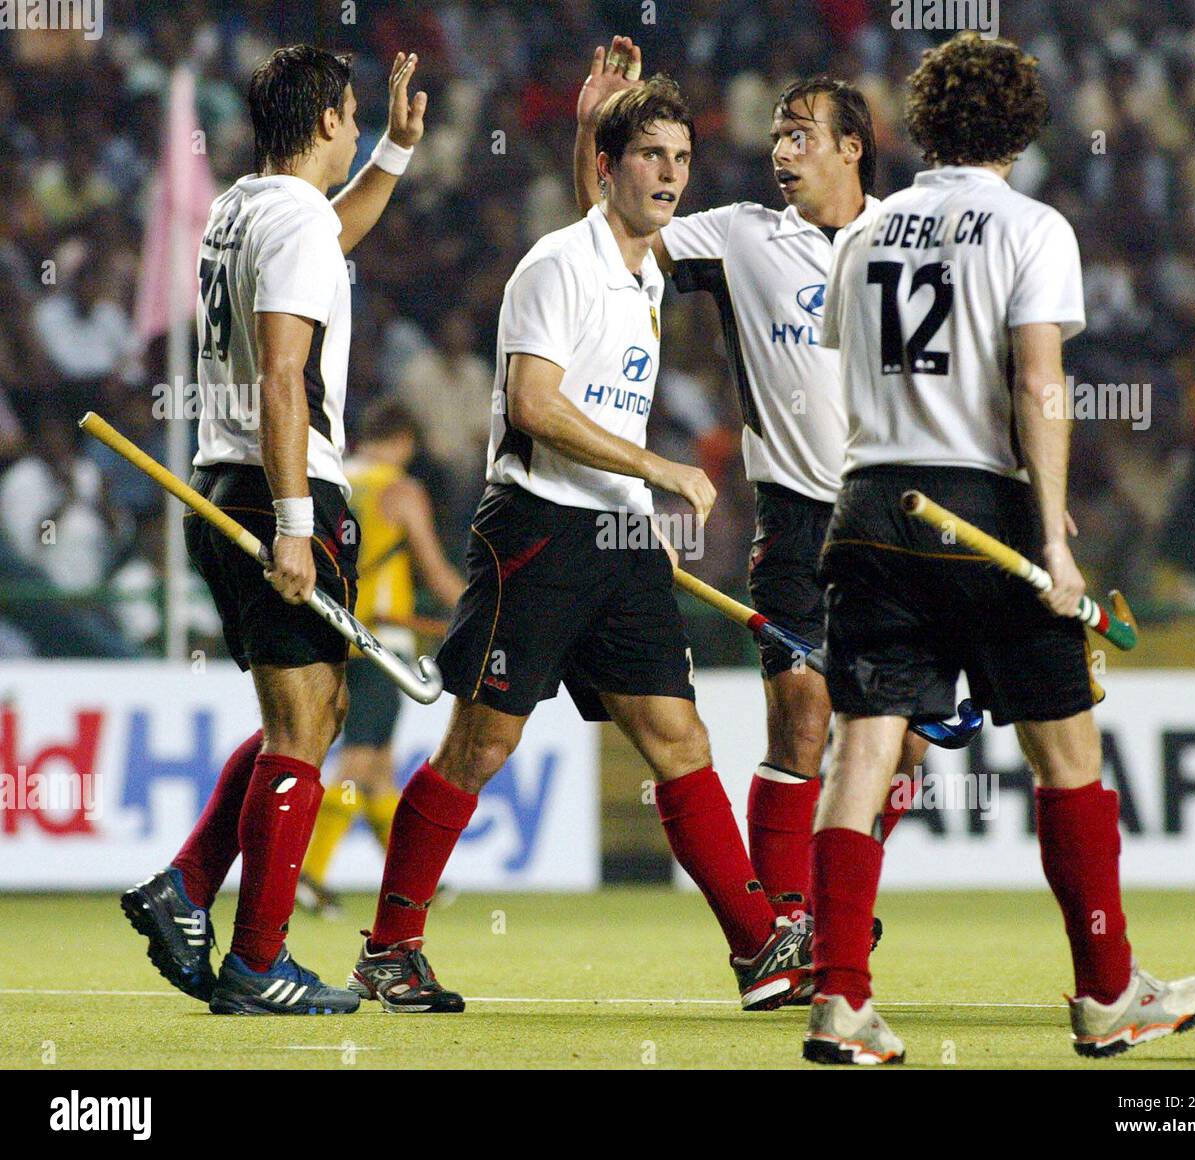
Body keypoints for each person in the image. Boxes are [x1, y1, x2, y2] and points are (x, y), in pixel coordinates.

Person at [348, 78, 813, 1015]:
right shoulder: (557, 265)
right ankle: (391, 948)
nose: (671, 175)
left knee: (679, 737)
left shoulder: (643, 274)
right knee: (482, 743)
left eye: (682, 158)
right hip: (537, 532)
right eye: (650, 155)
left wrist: (638, 500)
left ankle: (760, 948)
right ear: (607, 166)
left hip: (618, 535)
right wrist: (660, 467)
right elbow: (533, 405)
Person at [804, 32, 1195, 1064]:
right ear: (1024, 128)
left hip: (866, 505)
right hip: (981, 513)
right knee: (1066, 756)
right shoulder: (1032, 227)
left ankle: (841, 1001)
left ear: (921, 123)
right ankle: (1106, 989)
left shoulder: (863, 233)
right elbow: (1036, 385)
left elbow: (855, 384)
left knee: (859, 754)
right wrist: (1054, 531)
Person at [574, 39, 928, 933]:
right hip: (800, 522)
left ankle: (834, 890)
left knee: (907, 743)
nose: (780, 150)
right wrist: (596, 126)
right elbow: (607, 230)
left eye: (801, 135)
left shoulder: (910, 237)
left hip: (903, 520)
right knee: (803, 725)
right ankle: (788, 926)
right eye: (776, 136)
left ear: (853, 146)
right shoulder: (737, 233)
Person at [120, 45, 428, 1016]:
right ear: (332, 118)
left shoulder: (245, 206)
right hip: (277, 489)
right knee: (304, 724)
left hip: (223, 480)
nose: (358, 131)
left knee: (313, 714)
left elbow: (328, 239)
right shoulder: (291, 217)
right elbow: (285, 374)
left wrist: (398, 157)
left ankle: (186, 886)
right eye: (357, 120)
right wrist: (299, 523)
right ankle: (258, 961)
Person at [298, 399, 465, 916]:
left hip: (327, 637)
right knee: (357, 764)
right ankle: (306, 874)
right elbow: (436, 575)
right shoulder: (402, 490)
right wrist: (487, 613)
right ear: (404, 442)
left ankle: (412, 881)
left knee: (379, 772)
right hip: (379, 647)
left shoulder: (330, 481)